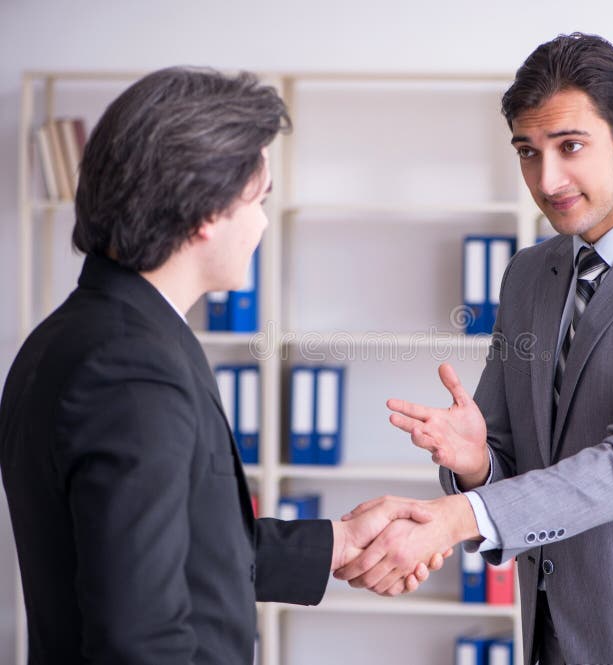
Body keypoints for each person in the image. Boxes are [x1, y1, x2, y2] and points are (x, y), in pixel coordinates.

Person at [336, 33, 613, 664]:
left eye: (570, 146)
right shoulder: (529, 275)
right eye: (528, 152)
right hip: (555, 632)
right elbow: (512, 456)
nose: (546, 179)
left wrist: (455, 518)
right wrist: (473, 466)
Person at [0, 67, 443, 665]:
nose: (261, 222)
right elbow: (140, 640)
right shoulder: (129, 369)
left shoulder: (84, 334)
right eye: (257, 201)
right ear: (206, 213)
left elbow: (172, 553)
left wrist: (335, 543)